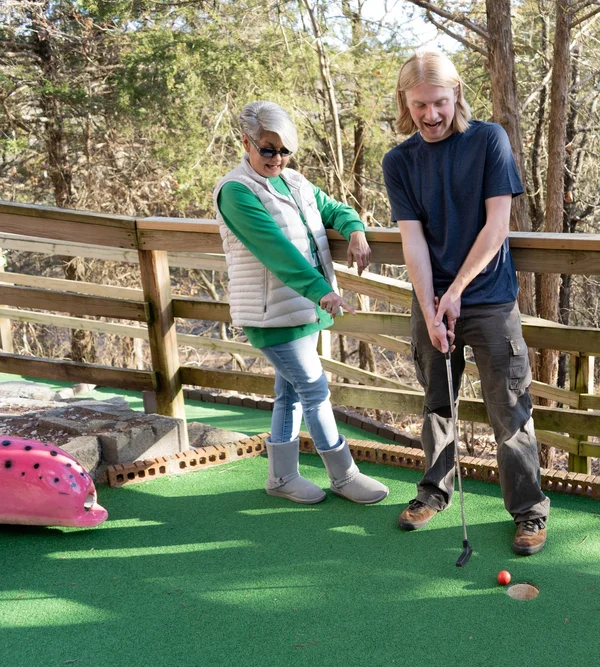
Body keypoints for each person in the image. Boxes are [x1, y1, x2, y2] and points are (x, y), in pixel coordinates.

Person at [381, 51, 550, 555]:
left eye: (438, 103)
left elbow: (497, 226)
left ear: (456, 95)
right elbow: (413, 242)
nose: (430, 115)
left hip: (489, 299)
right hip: (431, 301)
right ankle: (433, 492)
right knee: (436, 402)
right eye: (419, 106)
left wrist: (456, 293)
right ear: (405, 103)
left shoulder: (488, 140)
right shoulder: (399, 161)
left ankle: (529, 512)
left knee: (509, 408)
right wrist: (431, 305)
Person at [213, 101, 389, 506]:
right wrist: (322, 290)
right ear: (246, 142)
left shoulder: (293, 181)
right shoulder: (236, 191)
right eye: (268, 149)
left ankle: (281, 477)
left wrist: (356, 230)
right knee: (314, 388)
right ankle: (344, 476)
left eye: (284, 150)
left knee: (290, 393)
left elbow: (334, 209)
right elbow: (275, 251)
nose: (277, 158)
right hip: (270, 314)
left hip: (302, 309)